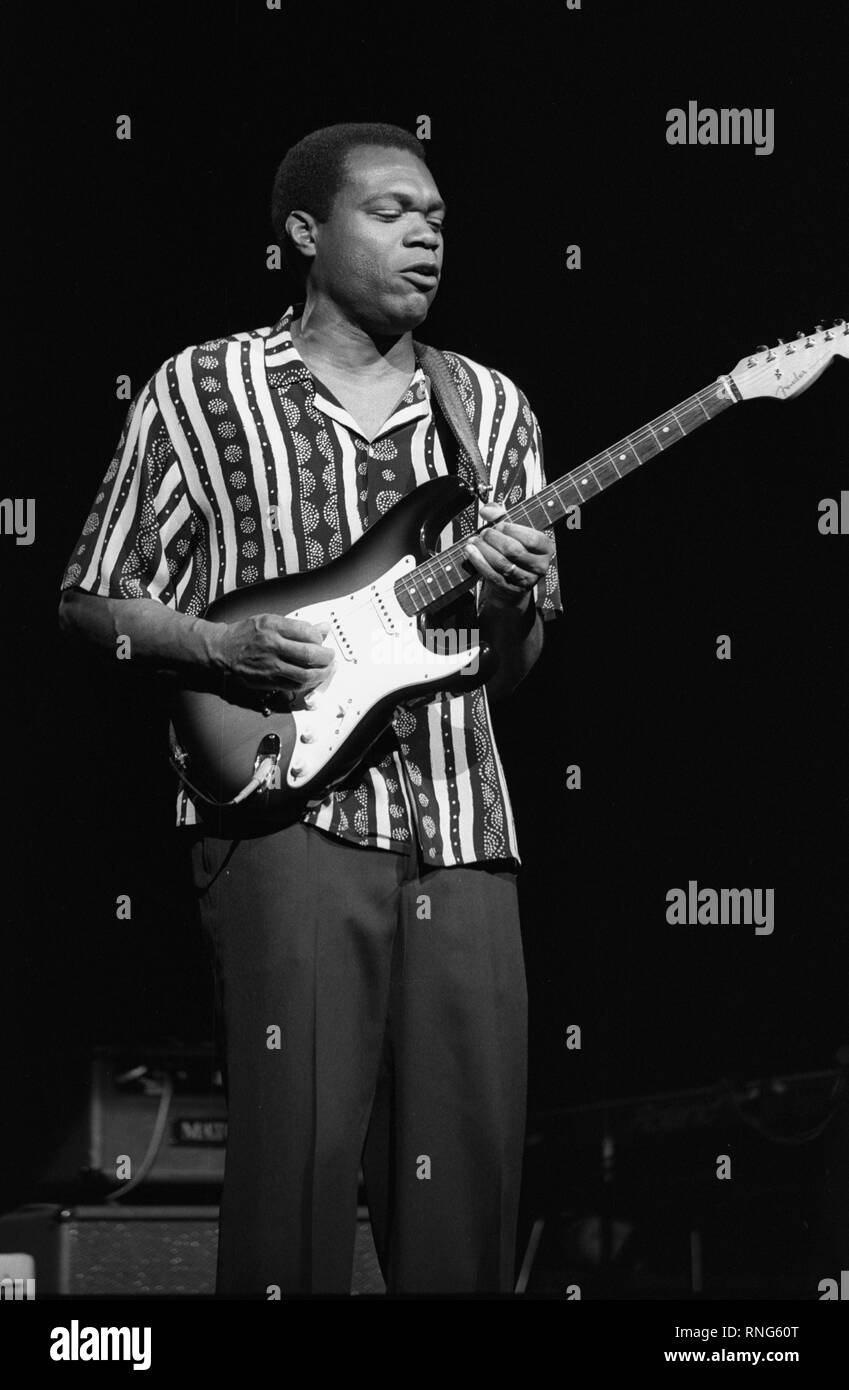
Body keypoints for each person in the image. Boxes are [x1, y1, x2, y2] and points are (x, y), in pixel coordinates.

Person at [58, 122, 563, 1295]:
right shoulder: (203, 389)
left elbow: (513, 672)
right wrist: (221, 647)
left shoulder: (489, 410)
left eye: (437, 216)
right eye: (392, 211)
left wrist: (517, 609)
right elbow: (90, 601)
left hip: (464, 829)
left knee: (469, 1204)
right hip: (285, 817)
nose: (426, 233)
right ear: (303, 231)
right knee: (293, 1194)